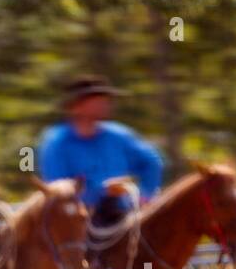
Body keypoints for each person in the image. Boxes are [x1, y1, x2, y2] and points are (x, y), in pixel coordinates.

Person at [38, 75, 163, 226]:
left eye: (106, 100)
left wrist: (144, 197)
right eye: (98, 100)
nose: (106, 104)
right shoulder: (56, 142)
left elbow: (152, 162)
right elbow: (58, 189)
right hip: (77, 221)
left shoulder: (118, 135)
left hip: (124, 214)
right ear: (76, 106)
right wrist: (103, 192)